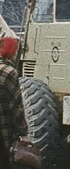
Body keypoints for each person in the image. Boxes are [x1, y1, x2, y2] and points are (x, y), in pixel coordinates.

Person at [0, 37, 27, 169]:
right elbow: (17, 107)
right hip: (3, 131)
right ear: (11, 52)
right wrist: (23, 132)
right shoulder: (9, 72)